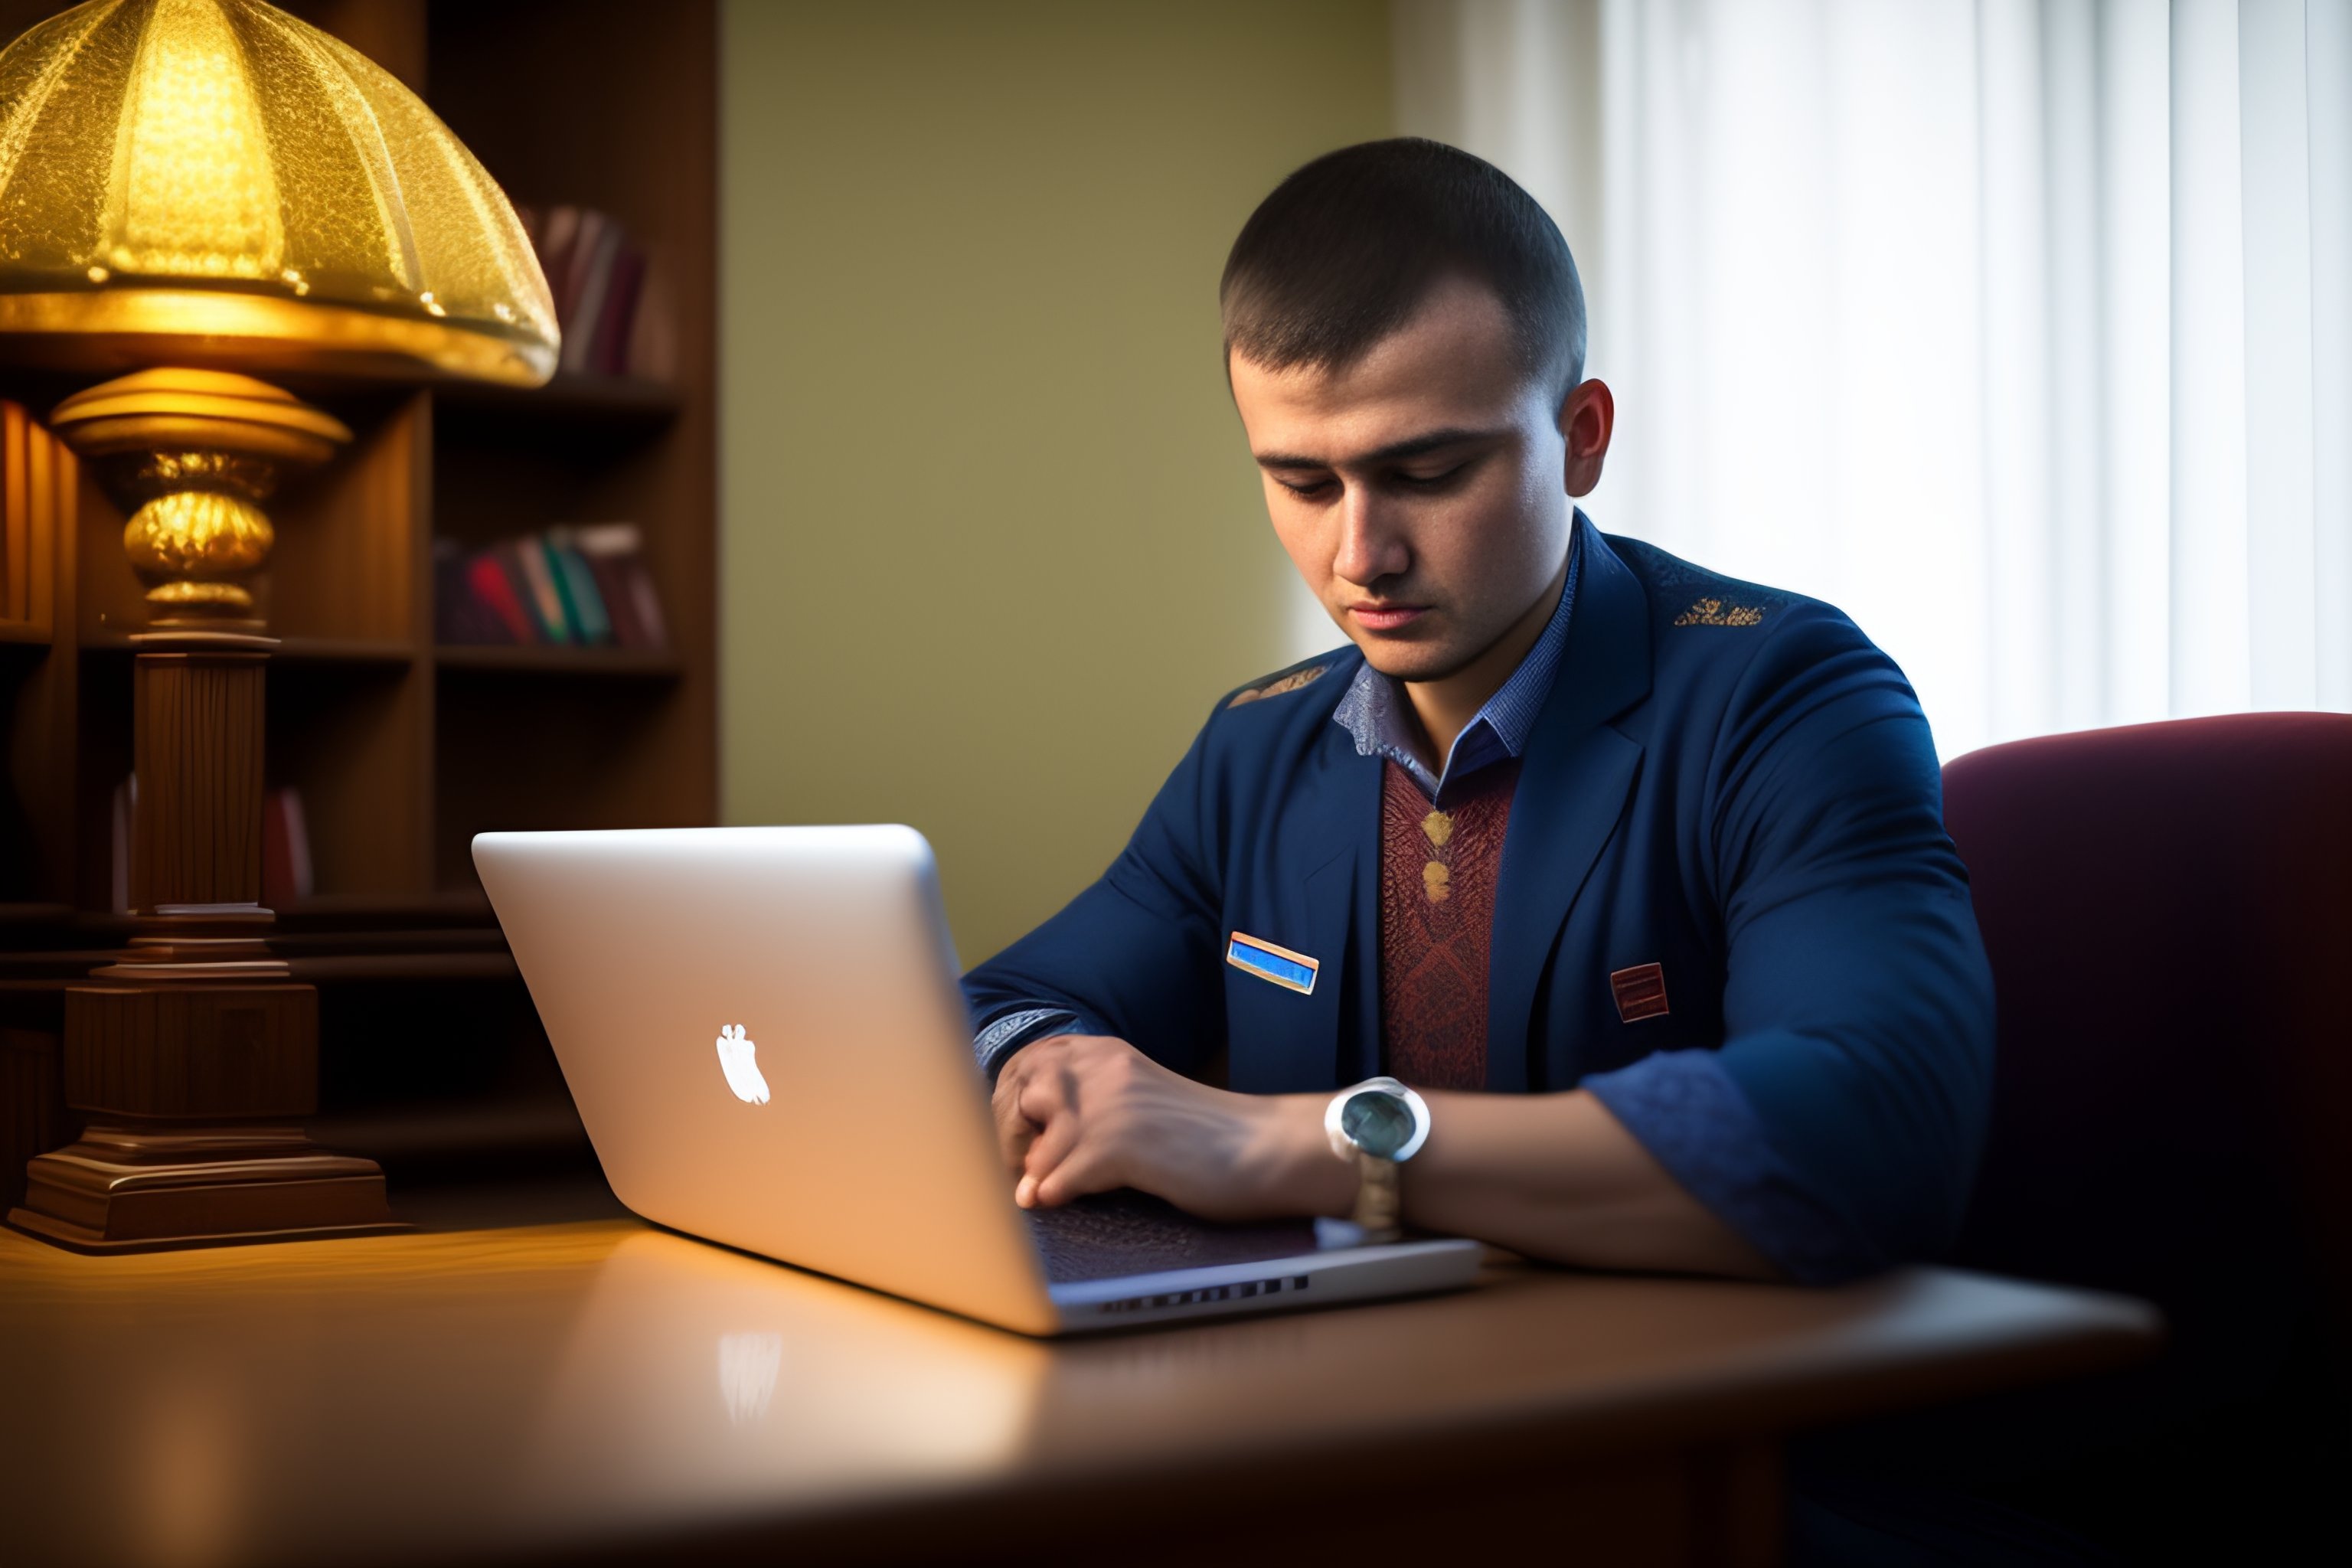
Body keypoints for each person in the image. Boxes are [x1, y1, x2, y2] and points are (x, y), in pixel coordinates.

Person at [962, 139, 1993, 1283]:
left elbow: (1879, 1125)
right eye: (1303, 484)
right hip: (1325, 1406)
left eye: (1432, 473)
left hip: (1678, 1417)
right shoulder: (1256, 744)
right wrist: (1042, 1071)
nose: (1362, 555)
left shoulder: (1789, 697)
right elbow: (997, 1003)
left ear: (1583, 437)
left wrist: (1300, 1145)